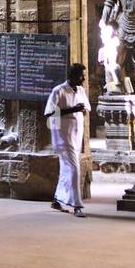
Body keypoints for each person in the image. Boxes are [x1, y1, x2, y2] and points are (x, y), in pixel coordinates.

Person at [44, 64, 90, 216]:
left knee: (66, 168)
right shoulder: (59, 91)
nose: (83, 78)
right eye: (80, 75)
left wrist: (81, 110)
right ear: (72, 76)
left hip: (76, 135)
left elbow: (85, 108)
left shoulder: (81, 90)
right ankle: (77, 205)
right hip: (63, 136)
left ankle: (57, 199)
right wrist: (72, 110)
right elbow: (50, 113)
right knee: (74, 169)